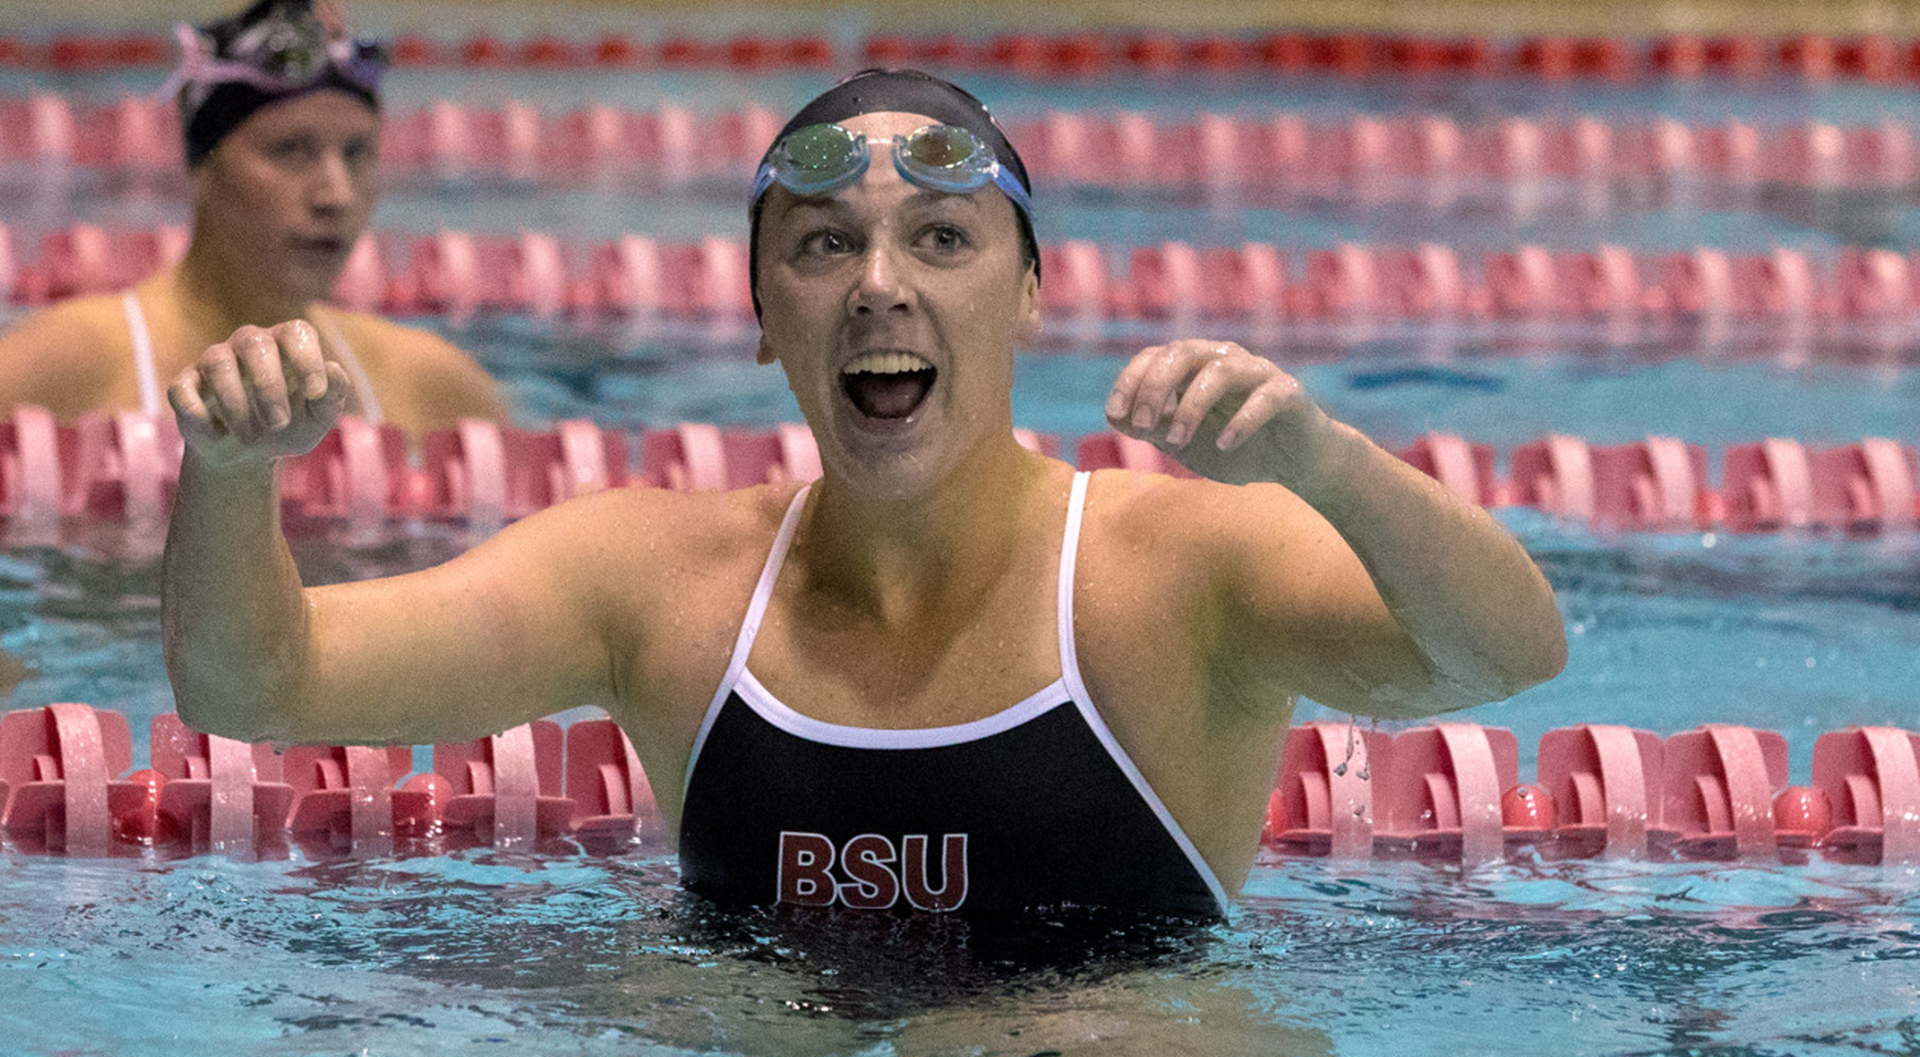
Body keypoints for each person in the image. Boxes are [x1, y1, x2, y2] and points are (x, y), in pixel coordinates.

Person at [160, 70, 1566, 919]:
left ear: (1026, 295)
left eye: (941, 238)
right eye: (825, 245)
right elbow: (258, 686)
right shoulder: (658, 584)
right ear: (766, 313)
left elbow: (1507, 650)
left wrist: (1321, 463)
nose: (881, 282)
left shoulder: (1174, 572)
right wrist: (227, 478)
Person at [0, 0, 501, 439]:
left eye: (356, 153)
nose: (337, 194)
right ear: (203, 163)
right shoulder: (65, 364)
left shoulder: (430, 384)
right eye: (292, 151)